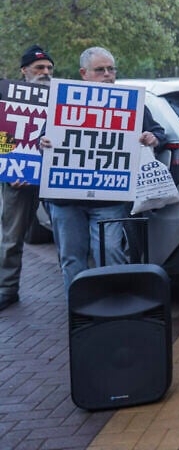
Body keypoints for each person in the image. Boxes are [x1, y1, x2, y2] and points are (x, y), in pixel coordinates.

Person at [42, 47, 167, 295]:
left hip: (110, 197)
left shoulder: (131, 104)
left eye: (111, 69)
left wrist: (153, 138)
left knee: (111, 253)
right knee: (72, 259)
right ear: (84, 74)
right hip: (65, 198)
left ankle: (114, 313)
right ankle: (81, 318)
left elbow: (158, 132)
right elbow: (38, 137)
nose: (108, 75)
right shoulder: (62, 100)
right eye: (100, 70)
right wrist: (42, 142)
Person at [0, 45, 54, 312]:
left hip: (58, 179)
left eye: (48, 68)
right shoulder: (7, 97)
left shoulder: (63, 97)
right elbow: (4, 135)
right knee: (11, 237)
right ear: (24, 71)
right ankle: (7, 289)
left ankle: (78, 288)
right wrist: (10, 169)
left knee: (67, 237)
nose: (45, 72)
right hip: (19, 180)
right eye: (39, 68)